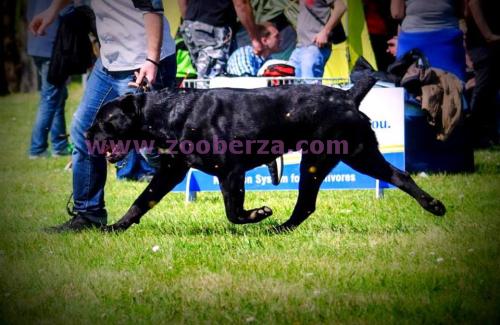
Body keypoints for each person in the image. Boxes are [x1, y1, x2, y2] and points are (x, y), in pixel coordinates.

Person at [30, 0, 177, 231]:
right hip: (110, 63)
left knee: (151, 145)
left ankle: (185, 167)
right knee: (84, 131)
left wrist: (151, 59)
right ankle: (88, 215)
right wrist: (51, 11)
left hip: (145, 61)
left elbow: (152, 10)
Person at [27, 0, 71, 159]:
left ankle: (60, 146)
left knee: (57, 97)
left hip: (35, 46)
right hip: (52, 49)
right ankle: (37, 149)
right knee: (49, 99)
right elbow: (68, 13)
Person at [177, 0, 263, 79]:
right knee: (212, 80)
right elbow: (241, 3)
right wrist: (255, 38)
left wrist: (190, 23)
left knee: (204, 76)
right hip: (214, 27)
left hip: (191, 25)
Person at [391, 0, 467, 81]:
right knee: (453, 84)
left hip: (412, 40)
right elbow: (464, 11)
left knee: (413, 86)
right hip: (447, 40)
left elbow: (397, 13)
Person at [465, 0, 500, 147]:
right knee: (483, 88)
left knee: (490, 89)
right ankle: (472, 134)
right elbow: (473, 4)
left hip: (487, 41)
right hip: (482, 42)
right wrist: (488, 34)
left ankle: (488, 134)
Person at [288, 0, 347, 79]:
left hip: (314, 47)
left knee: (310, 87)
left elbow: (341, 7)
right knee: (291, 86)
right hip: (300, 47)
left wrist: (325, 31)